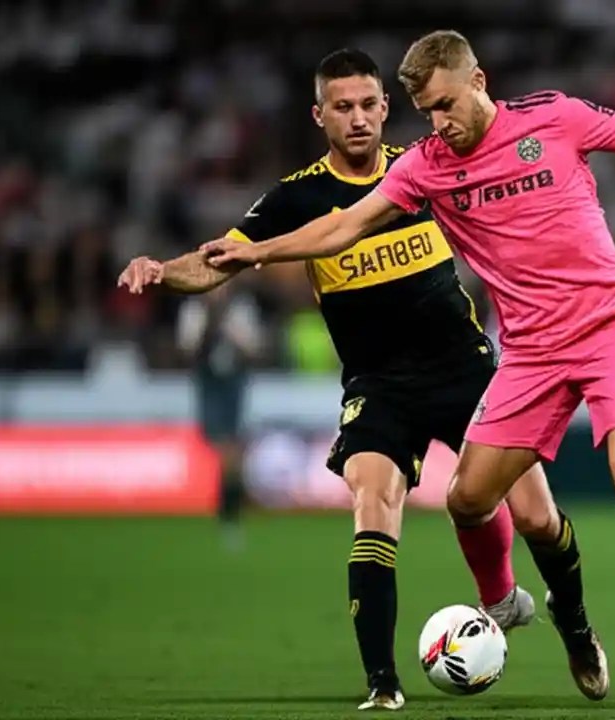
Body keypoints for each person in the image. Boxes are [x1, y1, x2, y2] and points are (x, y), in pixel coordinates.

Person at [198, 30, 615, 720]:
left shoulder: (555, 117)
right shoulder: (427, 165)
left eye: (448, 105)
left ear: (480, 80)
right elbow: (343, 227)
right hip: (530, 355)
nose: (440, 124)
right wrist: (254, 254)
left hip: (612, 328)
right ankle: (504, 602)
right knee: (467, 501)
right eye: (427, 113)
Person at [118, 49, 591, 713]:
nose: (359, 118)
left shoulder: (423, 167)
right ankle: (383, 684)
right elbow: (217, 261)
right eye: (343, 107)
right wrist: (164, 270)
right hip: (379, 384)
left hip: (467, 371)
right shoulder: (296, 199)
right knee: (372, 506)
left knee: (539, 516)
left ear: (386, 108)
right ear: (320, 116)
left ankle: (574, 626)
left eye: (369, 104)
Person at [176, 282, 264, 544]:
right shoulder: (194, 310)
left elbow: (252, 347)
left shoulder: (241, 309)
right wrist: (211, 322)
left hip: (235, 380)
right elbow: (187, 349)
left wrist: (230, 330)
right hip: (208, 381)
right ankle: (229, 505)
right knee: (219, 443)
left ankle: (230, 509)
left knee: (232, 446)